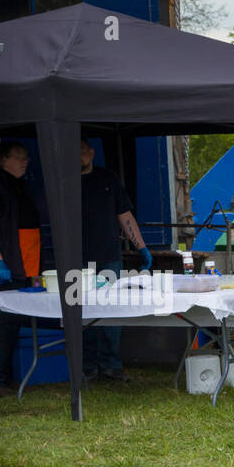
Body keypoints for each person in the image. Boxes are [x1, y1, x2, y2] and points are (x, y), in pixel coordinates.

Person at [0, 141, 46, 397]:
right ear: (3, 159)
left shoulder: (19, 186)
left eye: (26, 157)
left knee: (13, 323)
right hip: (5, 268)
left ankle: (4, 376)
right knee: (4, 324)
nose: (25, 161)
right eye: (19, 157)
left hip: (23, 265)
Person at [79, 137, 152, 383]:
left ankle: (111, 365)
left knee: (111, 311)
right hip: (76, 260)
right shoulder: (63, 182)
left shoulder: (108, 179)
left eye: (82, 151)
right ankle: (87, 366)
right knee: (83, 312)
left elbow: (125, 215)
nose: (79, 156)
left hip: (108, 257)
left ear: (91, 152)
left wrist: (141, 248)